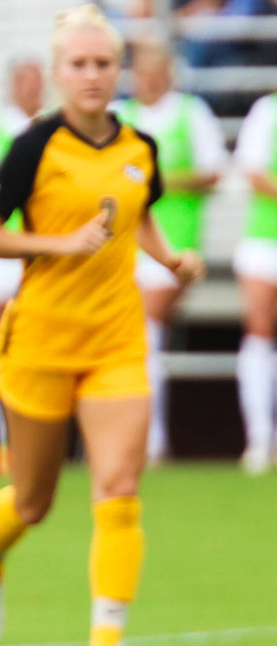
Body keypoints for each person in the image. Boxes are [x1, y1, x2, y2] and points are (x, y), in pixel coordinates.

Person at [0, 6, 203, 646]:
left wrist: (170, 260)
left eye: (103, 63)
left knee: (120, 489)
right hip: (39, 340)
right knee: (32, 501)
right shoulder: (33, 146)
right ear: (57, 72)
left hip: (116, 340)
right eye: (79, 64)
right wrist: (55, 244)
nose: (92, 75)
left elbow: (140, 214)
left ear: (118, 70)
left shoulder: (140, 146)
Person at [115, 37, 227, 463]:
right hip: (125, 247)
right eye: (142, 71)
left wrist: (159, 182)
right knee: (135, 340)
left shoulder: (190, 112)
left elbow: (213, 172)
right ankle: (136, 435)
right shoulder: (121, 117)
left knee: (146, 331)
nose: (149, 79)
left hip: (176, 244)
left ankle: (150, 438)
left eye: (156, 71)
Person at [0, 56, 46, 471]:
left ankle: (46, 444)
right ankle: (9, 442)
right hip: (5, 246)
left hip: (43, 246)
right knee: (4, 344)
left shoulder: (56, 127)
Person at [232, 84, 277, 473]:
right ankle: (259, 440)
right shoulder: (267, 111)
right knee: (259, 331)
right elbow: (254, 171)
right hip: (266, 240)